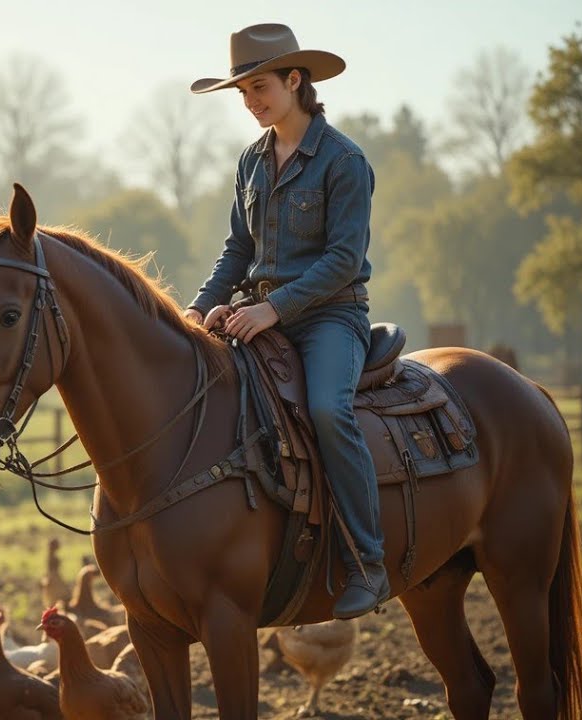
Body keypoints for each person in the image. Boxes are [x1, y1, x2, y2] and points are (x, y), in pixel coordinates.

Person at [182, 23, 389, 619]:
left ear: (295, 80)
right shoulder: (251, 161)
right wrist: (197, 307)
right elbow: (237, 250)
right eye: (243, 92)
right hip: (258, 314)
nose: (251, 102)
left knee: (327, 410)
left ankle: (368, 563)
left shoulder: (344, 161)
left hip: (330, 317)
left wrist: (273, 308)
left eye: (260, 87)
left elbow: (343, 259)